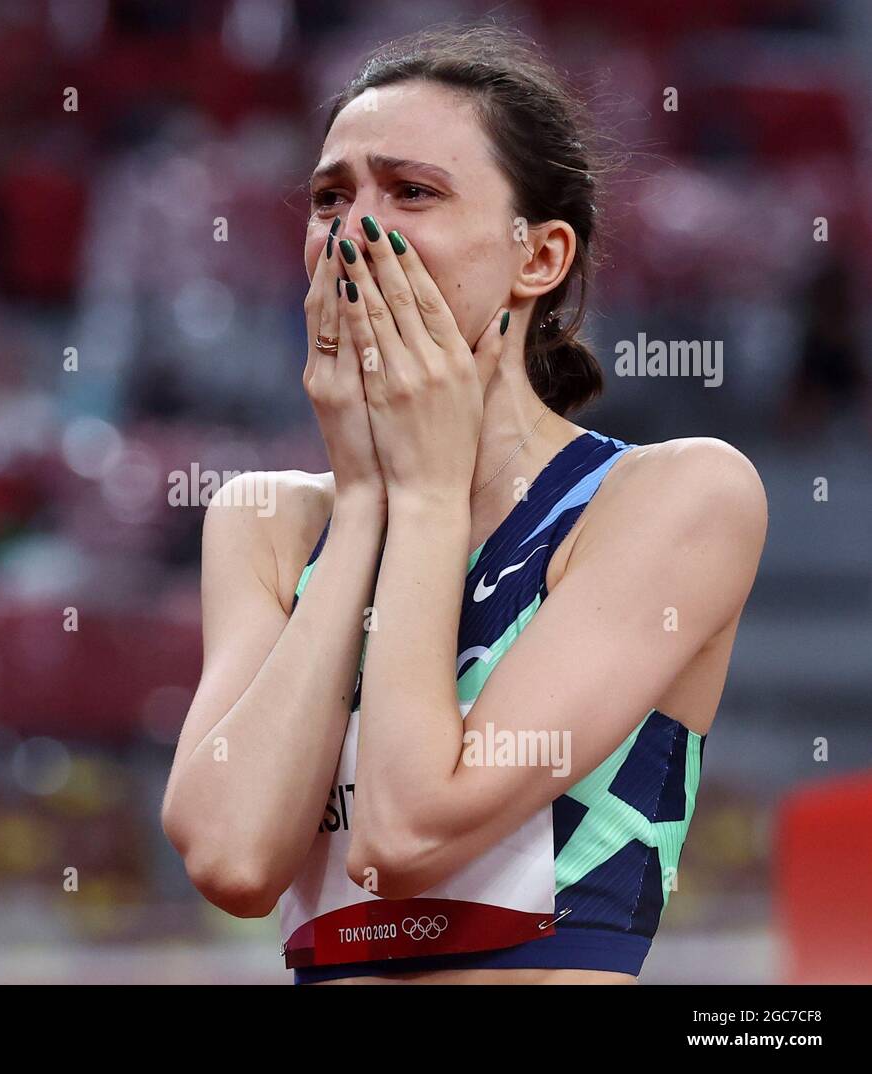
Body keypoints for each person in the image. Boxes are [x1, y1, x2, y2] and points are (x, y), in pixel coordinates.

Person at [161, 25, 767, 984]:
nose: (355, 233)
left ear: (540, 257)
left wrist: (432, 492)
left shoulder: (673, 496)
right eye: (331, 197)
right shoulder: (267, 522)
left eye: (413, 192)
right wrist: (365, 501)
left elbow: (404, 834)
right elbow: (234, 860)